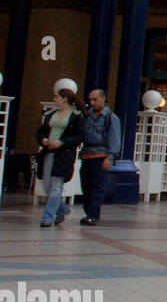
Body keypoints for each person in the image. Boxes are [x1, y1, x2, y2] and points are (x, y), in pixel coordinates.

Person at [35, 84, 86, 227]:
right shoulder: (51, 115)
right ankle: (63, 209)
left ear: (65, 99)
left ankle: (48, 217)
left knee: (57, 186)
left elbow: (80, 135)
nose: (55, 99)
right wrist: (43, 139)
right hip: (48, 152)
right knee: (46, 185)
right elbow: (41, 131)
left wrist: (62, 142)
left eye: (57, 97)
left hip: (63, 155)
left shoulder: (75, 117)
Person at [78, 89, 121, 226]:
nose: (92, 102)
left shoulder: (110, 117)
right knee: (86, 186)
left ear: (103, 99)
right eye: (90, 100)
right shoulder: (87, 116)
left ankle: (93, 214)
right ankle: (88, 212)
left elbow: (115, 139)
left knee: (97, 186)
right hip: (87, 155)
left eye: (95, 99)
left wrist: (110, 157)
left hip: (100, 155)